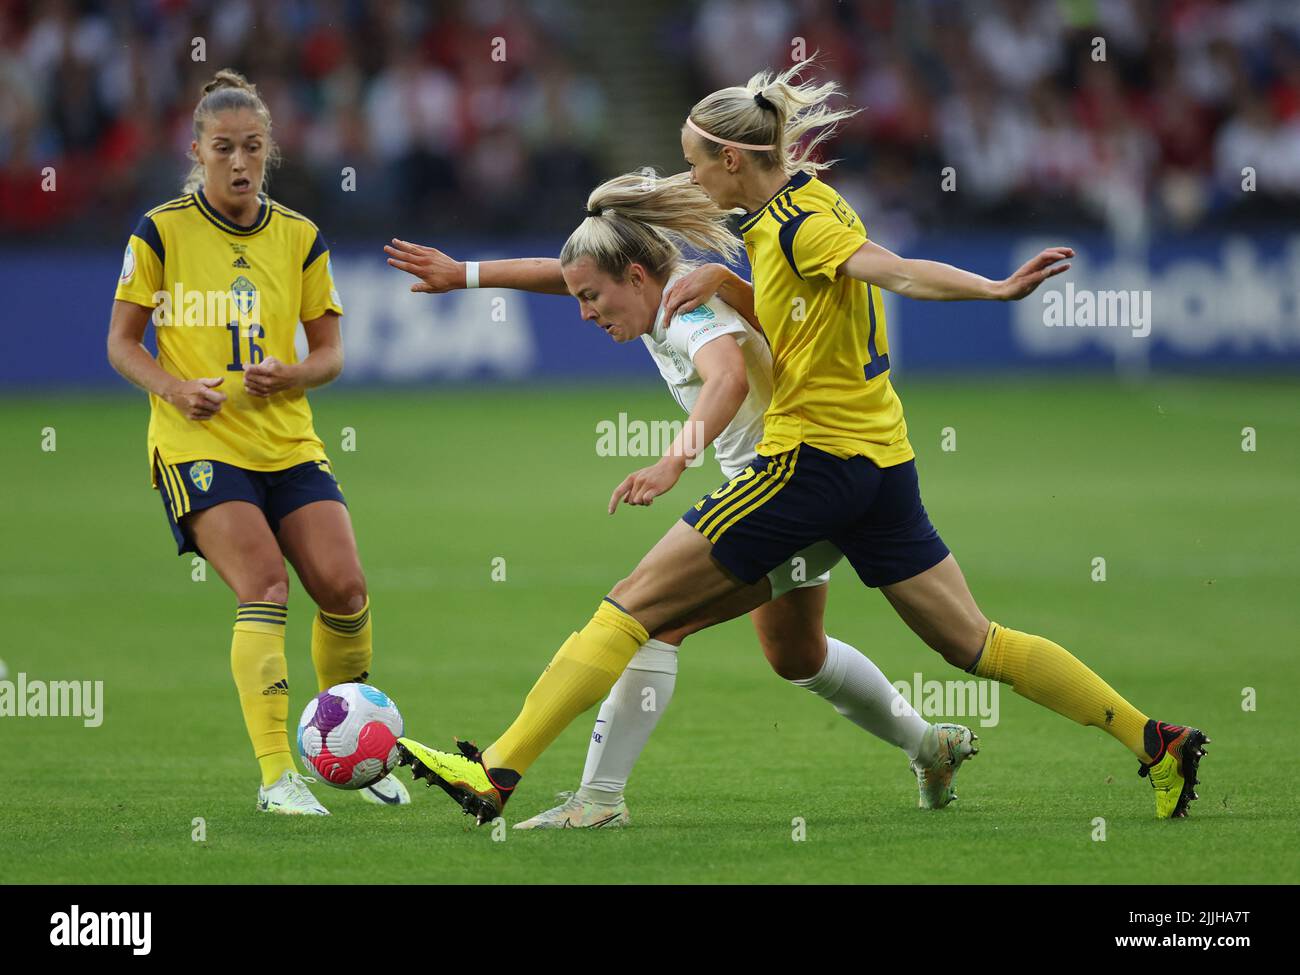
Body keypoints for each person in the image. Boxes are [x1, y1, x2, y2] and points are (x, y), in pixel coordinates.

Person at [398, 61, 1207, 824]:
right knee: (968, 642)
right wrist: (726, 281)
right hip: (881, 464)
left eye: (695, 164)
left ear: (732, 159)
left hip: (807, 464)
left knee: (633, 606)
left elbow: (888, 269)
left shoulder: (800, 225)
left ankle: (497, 770)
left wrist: (991, 288)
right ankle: (1153, 740)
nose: (690, 181)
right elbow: (784, 311)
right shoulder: (790, 211)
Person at [385, 171, 975, 828]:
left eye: (591, 298)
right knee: (796, 653)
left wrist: (674, 459)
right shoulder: (654, 288)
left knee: (646, 619)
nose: (584, 312)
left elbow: (726, 377)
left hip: (791, 488)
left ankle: (564, 789)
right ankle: (930, 746)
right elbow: (565, 274)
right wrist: (464, 274)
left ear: (636, 276)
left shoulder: (687, 311)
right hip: (819, 485)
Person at [106, 69, 409, 814]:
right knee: (266, 584)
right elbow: (121, 343)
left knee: (345, 589)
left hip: (288, 442)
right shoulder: (160, 231)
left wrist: (294, 374)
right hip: (198, 445)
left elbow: (330, 354)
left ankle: (349, 750)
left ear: (269, 150)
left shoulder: (299, 237)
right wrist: (175, 388)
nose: (239, 163)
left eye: (252, 147)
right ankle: (277, 777)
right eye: (224, 149)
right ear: (197, 151)